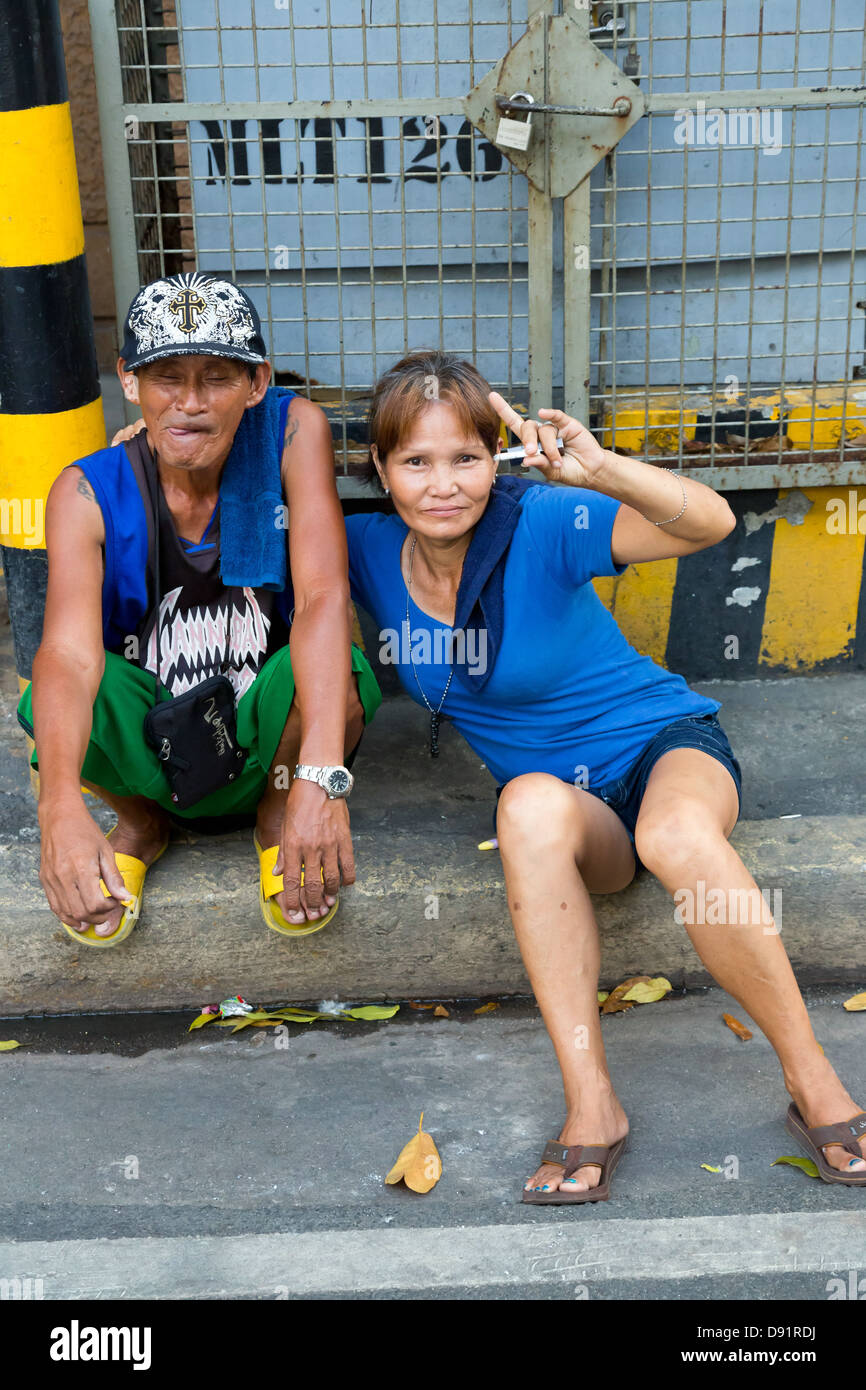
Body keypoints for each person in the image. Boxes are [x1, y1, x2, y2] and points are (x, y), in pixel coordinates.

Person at [344, 348, 866, 1202]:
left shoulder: (543, 520)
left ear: (498, 461)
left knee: (674, 832)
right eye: (417, 462)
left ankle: (815, 1085)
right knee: (524, 806)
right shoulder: (363, 548)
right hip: (575, 812)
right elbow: (239, 501)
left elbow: (709, 526)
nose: (444, 485)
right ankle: (593, 1106)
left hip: (664, 747)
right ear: (382, 468)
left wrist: (602, 467)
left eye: (468, 459)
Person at [18, 272, 380, 947]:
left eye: (217, 377)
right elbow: (67, 654)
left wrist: (320, 782)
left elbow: (325, 596)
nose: (189, 403)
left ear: (257, 382)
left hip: (268, 740)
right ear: (128, 381)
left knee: (338, 666)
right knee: (55, 698)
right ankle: (141, 826)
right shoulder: (85, 491)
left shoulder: (291, 433)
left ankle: (278, 818)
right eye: (165, 378)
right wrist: (59, 807)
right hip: (155, 753)